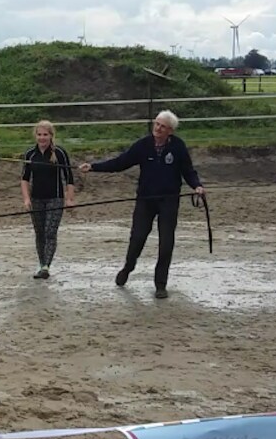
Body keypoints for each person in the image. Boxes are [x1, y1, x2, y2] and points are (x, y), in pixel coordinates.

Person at [78, 110, 204, 299]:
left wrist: (197, 186)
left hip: (169, 200)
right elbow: (121, 162)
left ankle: (160, 284)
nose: (158, 128)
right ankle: (128, 267)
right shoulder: (143, 145)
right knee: (137, 238)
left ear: (170, 131)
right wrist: (94, 167)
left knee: (166, 243)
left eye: (163, 126)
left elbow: (188, 170)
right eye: (157, 124)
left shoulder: (178, 147)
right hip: (145, 200)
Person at [21, 120, 76, 279]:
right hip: (36, 198)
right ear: (35, 136)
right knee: (40, 233)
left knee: (50, 232)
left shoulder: (59, 153)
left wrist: (70, 198)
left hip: (55, 199)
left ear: (51, 136)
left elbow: (69, 177)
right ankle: (42, 263)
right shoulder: (30, 154)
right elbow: (24, 178)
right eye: (39, 135)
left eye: (45, 135)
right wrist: (26, 198)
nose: (42, 138)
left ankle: (46, 267)